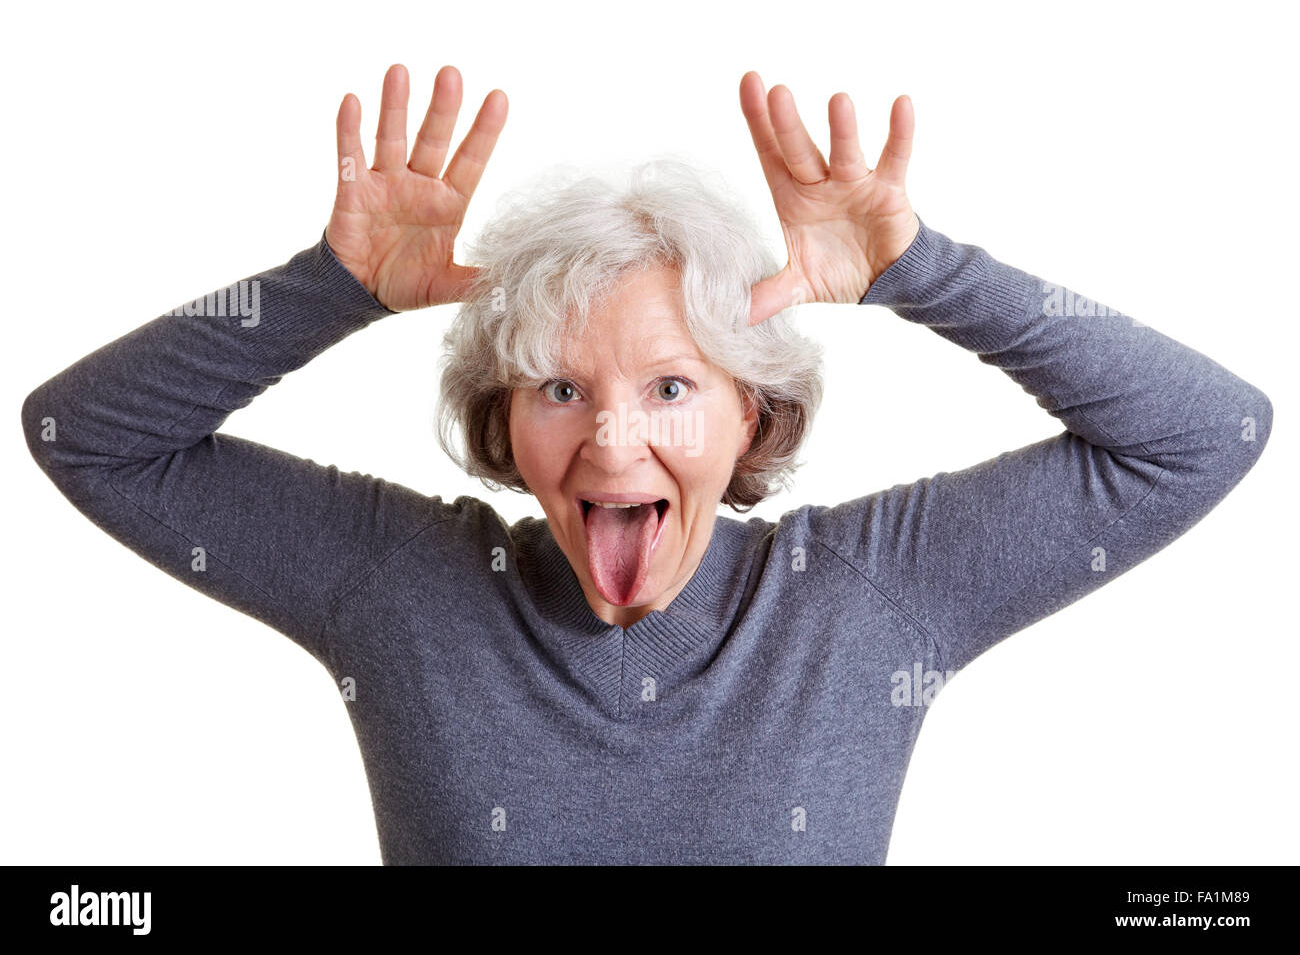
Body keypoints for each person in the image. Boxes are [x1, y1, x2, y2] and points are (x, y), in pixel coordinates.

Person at [21, 64, 1272, 864]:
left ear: (752, 414)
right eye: (559, 387)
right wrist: (325, 291)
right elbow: (86, 434)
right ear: (504, 419)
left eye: (671, 385)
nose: (612, 439)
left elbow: (1205, 431)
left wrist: (923, 272)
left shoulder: (864, 597)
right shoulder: (400, 586)